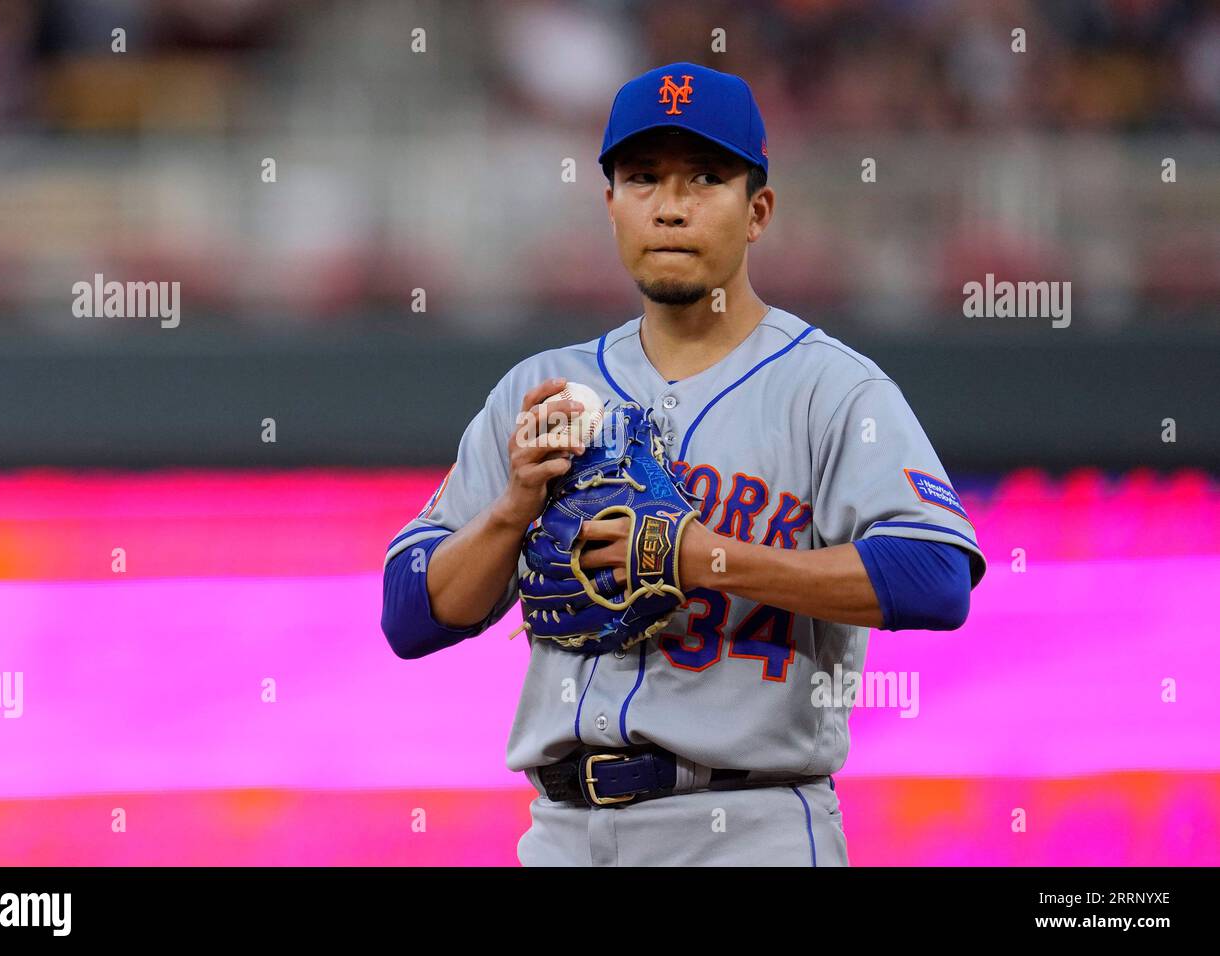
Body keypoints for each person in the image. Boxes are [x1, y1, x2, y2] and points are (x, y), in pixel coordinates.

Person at [381, 62, 986, 866]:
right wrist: (510, 513)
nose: (670, 205)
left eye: (705, 177)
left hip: (750, 826)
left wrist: (706, 558)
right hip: (562, 832)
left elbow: (937, 577)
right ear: (611, 206)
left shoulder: (831, 389)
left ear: (757, 209)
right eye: (642, 179)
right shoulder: (539, 391)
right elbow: (408, 614)